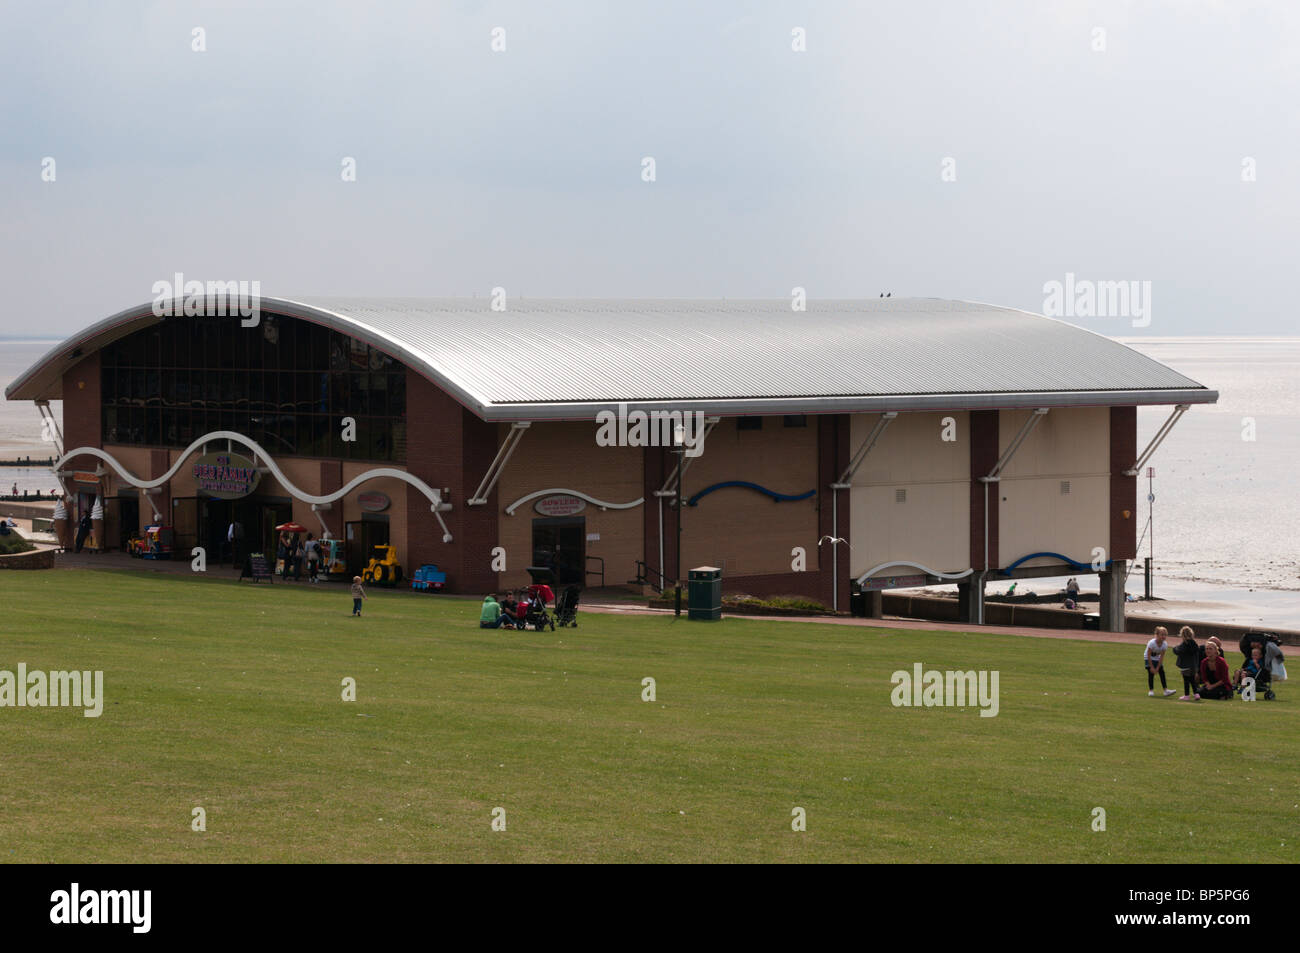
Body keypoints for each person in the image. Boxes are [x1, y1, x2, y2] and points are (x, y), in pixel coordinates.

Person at [1172, 626, 1202, 700]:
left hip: (1185, 666)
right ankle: (1196, 694)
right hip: (1193, 666)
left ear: (1182, 635)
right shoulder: (1194, 644)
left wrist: (1174, 648)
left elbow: (1178, 651)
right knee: (1192, 681)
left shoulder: (1184, 644)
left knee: (1186, 681)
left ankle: (1186, 695)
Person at [1144, 626, 1176, 696]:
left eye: (1165, 635)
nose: (1164, 636)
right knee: (1151, 673)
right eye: (1162, 634)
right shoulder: (1152, 643)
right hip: (1148, 658)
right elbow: (1148, 655)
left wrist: (1158, 667)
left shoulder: (1165, 644)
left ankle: (1165, 690)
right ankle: (1151, 691)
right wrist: (1152, 667)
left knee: (1162, 672)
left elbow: (1161, 657)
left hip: (1156, 658)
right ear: (1157, 635)